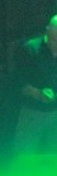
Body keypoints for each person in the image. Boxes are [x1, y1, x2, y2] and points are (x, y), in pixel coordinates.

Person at [11, 14, 57, 154]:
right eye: (55, 40)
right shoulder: (30, 49)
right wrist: (38, 94)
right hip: (31, 114)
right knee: (24, 159)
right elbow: (17, 83)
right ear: (47, 31)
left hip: (55, 115)